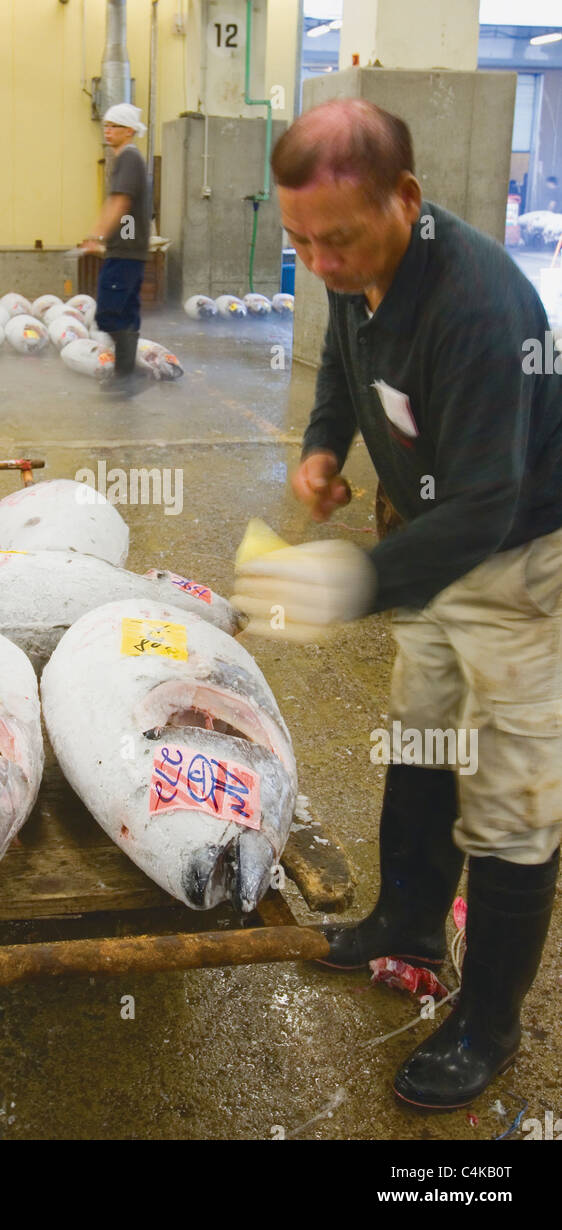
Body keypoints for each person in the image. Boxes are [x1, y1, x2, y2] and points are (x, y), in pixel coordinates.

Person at [231, 98, 562, 1111]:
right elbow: (343, 358)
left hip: (521, 563)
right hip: (429, 548)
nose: (317, 260)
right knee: (419, 738)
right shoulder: (354, 268)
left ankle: (488, 1024)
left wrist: (353, 580)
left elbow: (486, 503)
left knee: (510, 792)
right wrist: (324, 444)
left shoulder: (478, 307)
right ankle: (408, 923)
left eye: (334, 238)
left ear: (404, 200)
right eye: (296, 240)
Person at [82, 103, 150, 392]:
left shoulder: (129, 159)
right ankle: (127, 375)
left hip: (125, 251)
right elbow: (123, 208)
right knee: (126, 313)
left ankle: (127, 375)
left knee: (108, 314)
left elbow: (119, 203)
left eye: (114, 126)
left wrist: (96, 236)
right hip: (130, 249)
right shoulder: (128, 159)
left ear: (129, 131)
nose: (107, 131)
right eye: (106, 126)